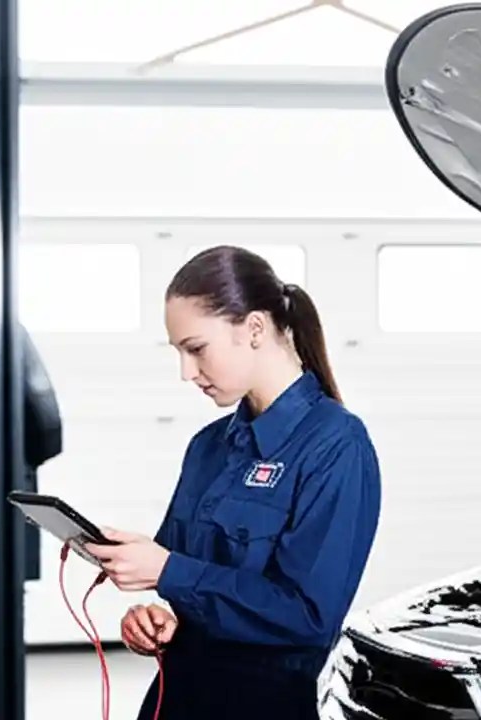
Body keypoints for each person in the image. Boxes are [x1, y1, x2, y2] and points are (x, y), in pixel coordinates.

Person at [85, 245, 382, 720]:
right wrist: (160, 621)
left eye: (196, 349)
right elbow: (186, 589)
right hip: (177, 699)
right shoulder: (208, 446)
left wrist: (169, 570)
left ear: (256, 329)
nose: (186, 373)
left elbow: (308, 617)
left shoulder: (336, 446)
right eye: (179, 353)